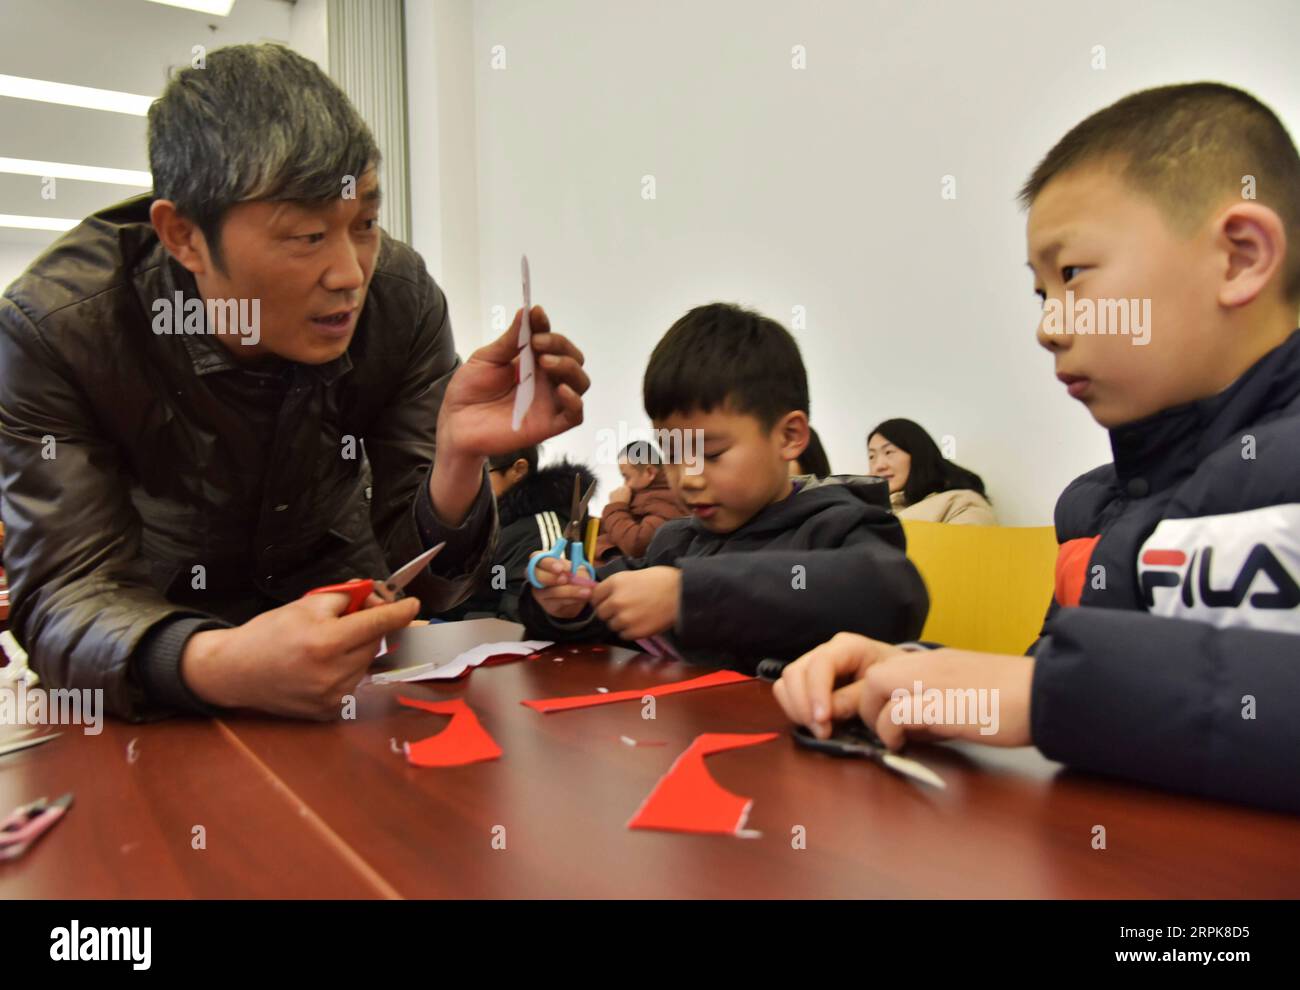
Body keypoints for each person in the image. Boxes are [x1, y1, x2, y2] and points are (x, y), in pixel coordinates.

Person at [0, 44, 589, 720]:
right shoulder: (62, 328)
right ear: (184, 235)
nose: (348, 273)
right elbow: (64, 595)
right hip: (160, 652)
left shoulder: (399, 299)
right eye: (307, 236)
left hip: (348, 652)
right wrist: (218, 661)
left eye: (364, 222)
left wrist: (457, 461)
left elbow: (432, 586)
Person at [777, 83, 1300, 813]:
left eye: (1074, 276)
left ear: (1240, 257)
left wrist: (1041, 692)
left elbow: (1058, 693)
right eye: (1040, 292)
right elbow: (1059, 698)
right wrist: (922, 679)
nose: (1048, 329)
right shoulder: (1096, 505)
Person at [520, 303, 928, 670]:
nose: (689, 477)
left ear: (789, 437)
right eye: (673, 453)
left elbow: (890, 593)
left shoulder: (839, 528)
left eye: (711, 453)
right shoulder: (675, 542)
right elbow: (607, 606)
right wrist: (562, 603)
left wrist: (689, 594)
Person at [442, 447, 597, 621]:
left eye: (475, 473)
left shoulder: (540, 532)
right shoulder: (483, 520)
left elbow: (520, 622)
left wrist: (438, 626)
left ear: (519, 470)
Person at [867, 419, 995, 524]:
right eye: (872, 457)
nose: (879, 466)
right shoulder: (870, 509)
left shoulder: (960, 504)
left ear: (918, 454)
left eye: (889, 452)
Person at [593, 441, 687, 562]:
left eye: (627, 477)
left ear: (649, 472)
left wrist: (616, 507)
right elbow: (619, 528)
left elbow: (637, 544)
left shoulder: (665, 499)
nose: (625, 484)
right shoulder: (647, 496)